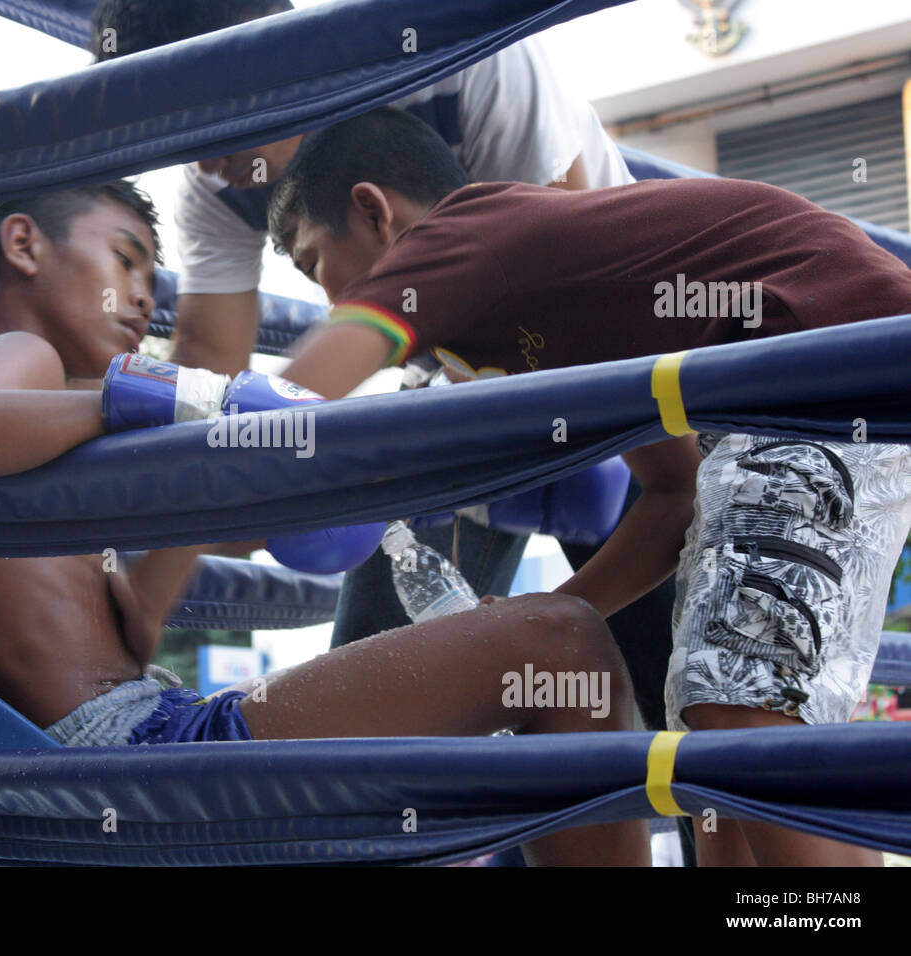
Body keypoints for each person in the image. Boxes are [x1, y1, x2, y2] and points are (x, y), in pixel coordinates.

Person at [0, 179, 650, 866]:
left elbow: (102, 633)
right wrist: (163, 398)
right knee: (559, 642)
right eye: (125, 260)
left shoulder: (45, 441)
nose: (145, 297)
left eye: (151, 274)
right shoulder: (21, 357)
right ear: (23, 245)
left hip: (134, 747)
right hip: (126, 762)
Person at [264, 106, 911, 866]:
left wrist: (177, 456)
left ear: (373, 212)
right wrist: (554, 610)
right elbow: (673, 497)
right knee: (714, 749)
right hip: (808, 392)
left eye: (314, 265)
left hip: (822, 372)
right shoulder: (544, 308)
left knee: (739, 706)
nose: (324, 300)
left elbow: (293, 408)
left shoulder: (460, 235)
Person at [86, 0, 681, 760]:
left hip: (619, 365)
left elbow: (565, 275)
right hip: (455, 397)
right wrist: (150, 592)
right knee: (382, 687)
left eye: (197, 121)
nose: (198, 159)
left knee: (696, 683)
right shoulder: (217, 185)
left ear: (259, 57)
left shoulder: (459, 50)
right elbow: (214, 380)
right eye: (173, 138)